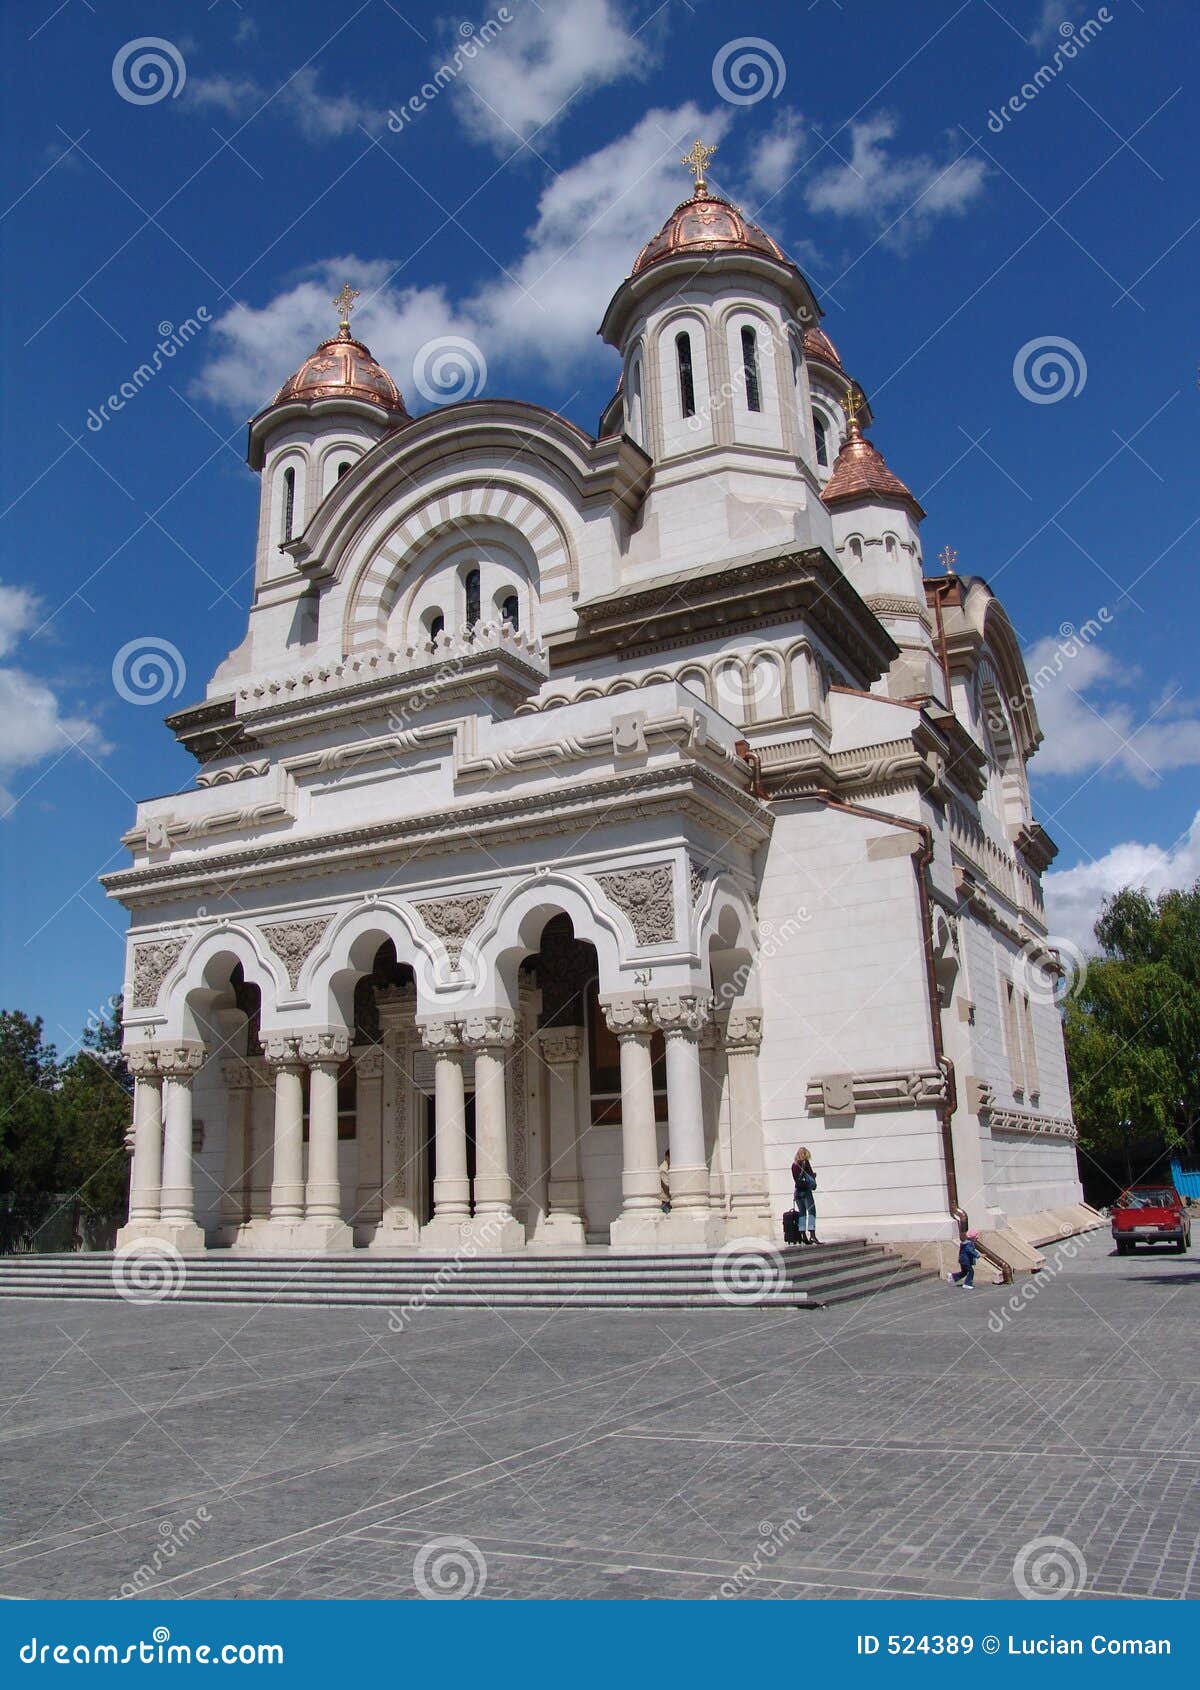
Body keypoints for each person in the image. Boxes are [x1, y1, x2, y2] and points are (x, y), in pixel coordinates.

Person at [791, 1146, 819, 1244]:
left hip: (797, 1192)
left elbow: (796, 1181)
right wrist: (813, 1178)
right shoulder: (805, 1163)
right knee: (812, 1212)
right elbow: (810, 1175)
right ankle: (812, 1235)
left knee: (802, 1214)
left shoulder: (793, 1165)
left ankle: (803, 1235)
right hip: (806, 1192)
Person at [659, 1148, 671, 1213]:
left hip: (668, 1202)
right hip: (665, 1204)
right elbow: (667, 1191)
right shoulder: (663, 1170)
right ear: (666, 1157)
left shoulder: (669, 1168)